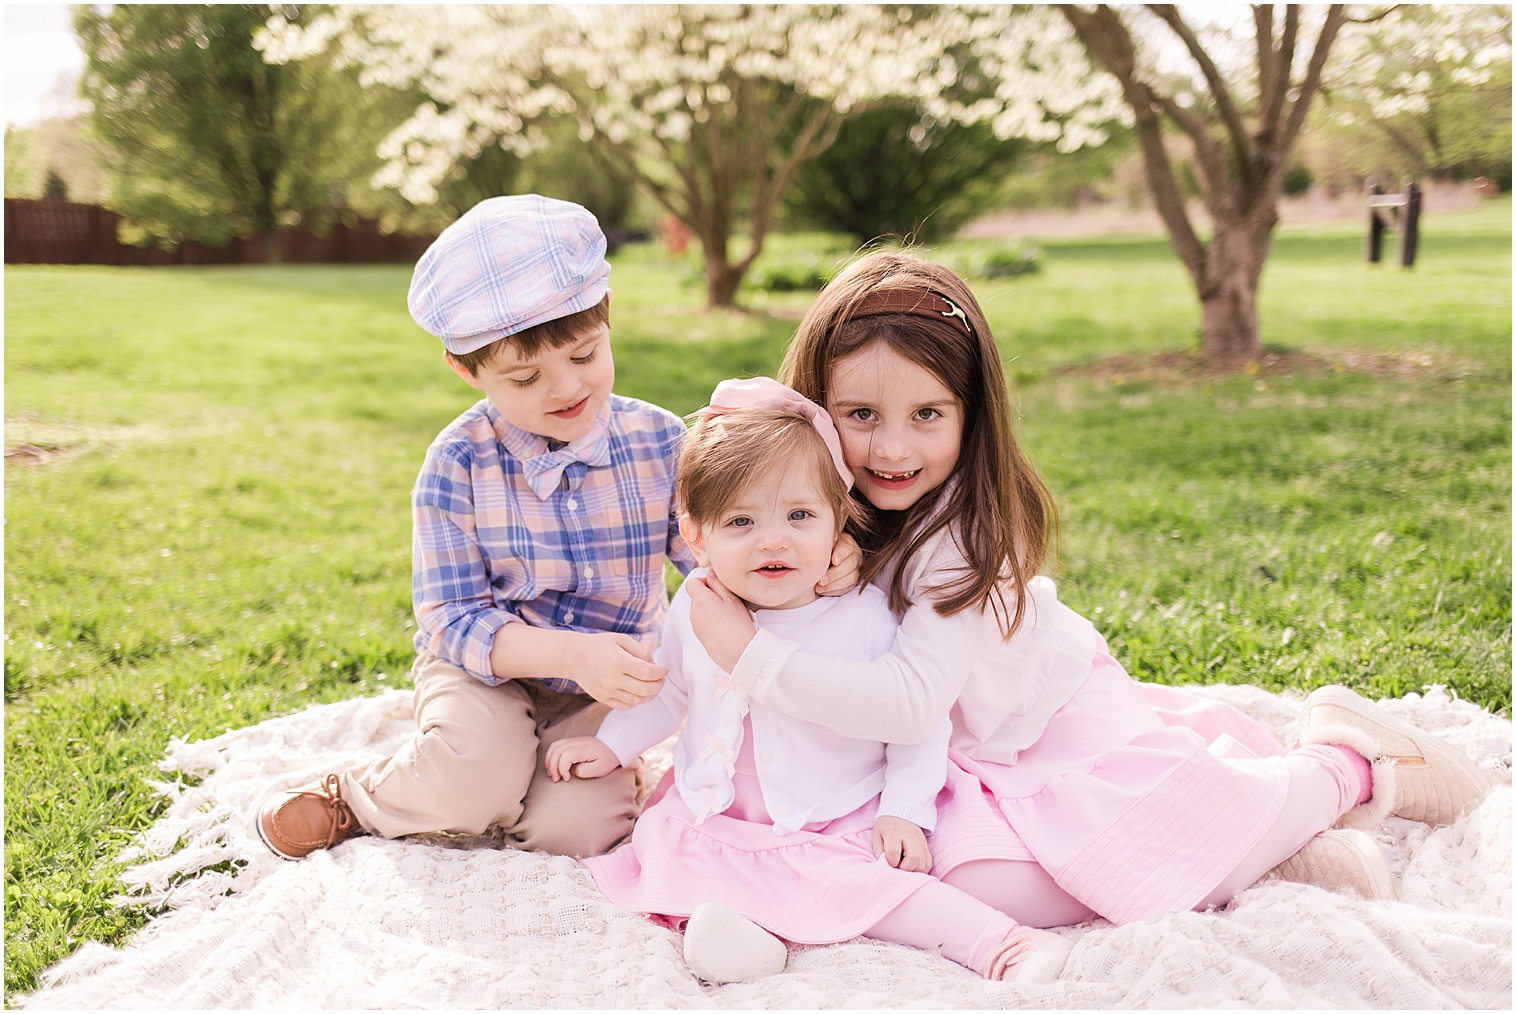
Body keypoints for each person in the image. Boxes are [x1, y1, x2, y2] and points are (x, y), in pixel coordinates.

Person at [682, 251, 1492, 932]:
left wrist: (750, 658)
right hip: (935, 757)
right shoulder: (812, 511)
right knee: (952, 880)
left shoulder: (961, 539)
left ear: (972, 415)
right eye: (860, 413)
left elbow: (911, 702)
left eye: (927, 413)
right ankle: (1273, 851)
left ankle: (1344, 768)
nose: (892, 448)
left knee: (1091, 867)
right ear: (813, 415)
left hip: (1036, 721)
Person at [251, 195, 861, 861]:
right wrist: (569, 655)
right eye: (524, 376)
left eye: (584, 354)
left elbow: (713, 557)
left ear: (606, 325)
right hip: (490, 673)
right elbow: (450, 618)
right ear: (466, 370)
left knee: (575, 833)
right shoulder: (456, 465)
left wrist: (812, 564)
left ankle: (507, 784)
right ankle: (363, 796)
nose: (564, 387)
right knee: (473, 780)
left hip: (611, 686)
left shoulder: (659, 442)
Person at [547, 377, 1073, 984]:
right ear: (695, 536)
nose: (775, 539)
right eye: (741, 521)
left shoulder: (861, 620)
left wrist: (904, 809)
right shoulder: (700, 609)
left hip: (828, 815)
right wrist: (610, 745)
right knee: (679, 866)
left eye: (799, 515)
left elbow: (915, 724)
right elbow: (670, 694)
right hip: (718, 813)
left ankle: (1003, 947)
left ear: (838, 524)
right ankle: (752, 939)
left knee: (877, 892)